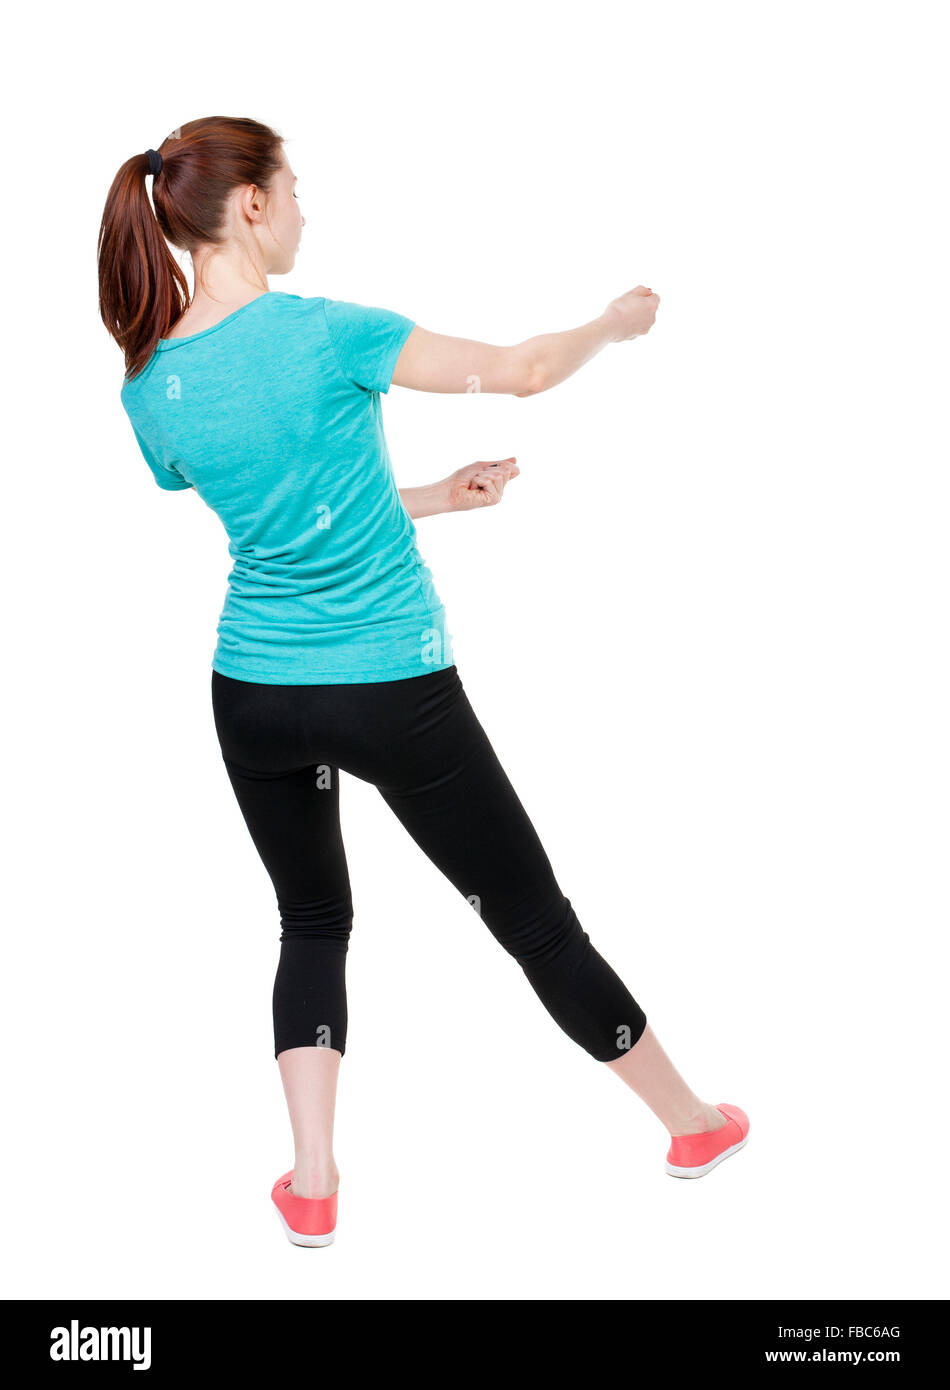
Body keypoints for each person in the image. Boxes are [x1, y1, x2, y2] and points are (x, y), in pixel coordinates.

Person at [98, 116, 749, 1247]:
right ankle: (689, 1123)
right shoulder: (323, 331)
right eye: (295, 187)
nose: (305, 207)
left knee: (310, 919)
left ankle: (310, 1183)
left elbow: (279, 527)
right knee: (535, 923)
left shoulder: (152, 387)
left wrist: (438, 498)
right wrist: (612, 320)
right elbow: (522, 371)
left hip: (252, 694)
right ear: (249, 205)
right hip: (391, 690)